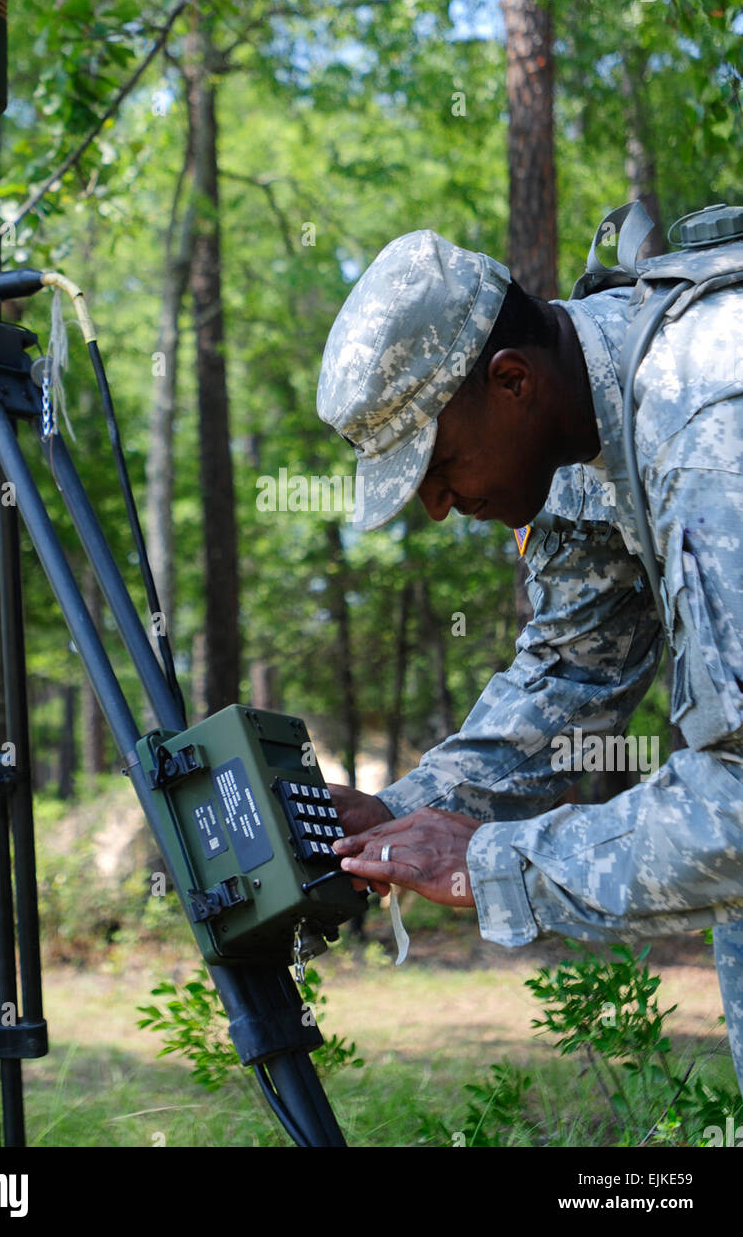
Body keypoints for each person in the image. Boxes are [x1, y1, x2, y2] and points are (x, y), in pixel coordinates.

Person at [315, 221, 743, 1092]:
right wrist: (403, 817)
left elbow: (736, 806)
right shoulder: (586, 416)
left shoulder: (711, 429)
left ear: (511, 380)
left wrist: (490, 862)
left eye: (436, 466)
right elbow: (571, 672)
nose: (436, 506)